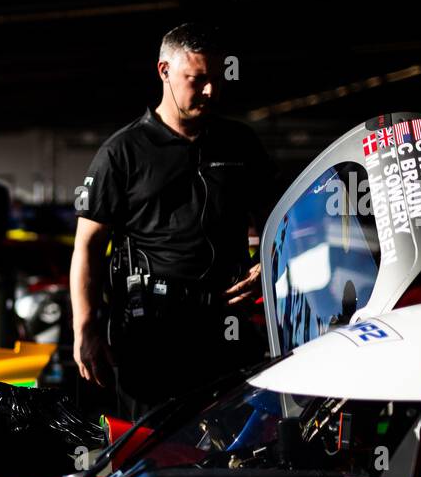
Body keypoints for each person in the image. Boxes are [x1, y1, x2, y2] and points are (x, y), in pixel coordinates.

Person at [71, 23, 275, 420]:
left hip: (227, 330)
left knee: (233, 451)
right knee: (152, 458)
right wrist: (86, 329)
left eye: (217, 79)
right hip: (151, 339)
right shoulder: (122, 153)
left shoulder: (240, 143)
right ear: (164, 70)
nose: (211, 91)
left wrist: (266, 266)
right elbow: (88, 247)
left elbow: (278, 220)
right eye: (197, 80)